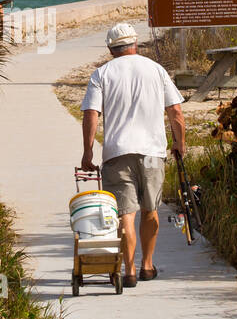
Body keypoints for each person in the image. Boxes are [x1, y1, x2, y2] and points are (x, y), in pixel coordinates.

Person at [79, 23, 186, 288]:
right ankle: (148, 266)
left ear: (110, 49)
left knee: (125, 213)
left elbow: (91, 114)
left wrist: (88, 151)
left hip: (116, 153)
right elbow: (176, 112)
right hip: (151, 153)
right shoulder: (156, 69)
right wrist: (179, 143)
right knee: (150, 210)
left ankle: (129, 270)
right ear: (135, 44)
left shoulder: (101, 73)